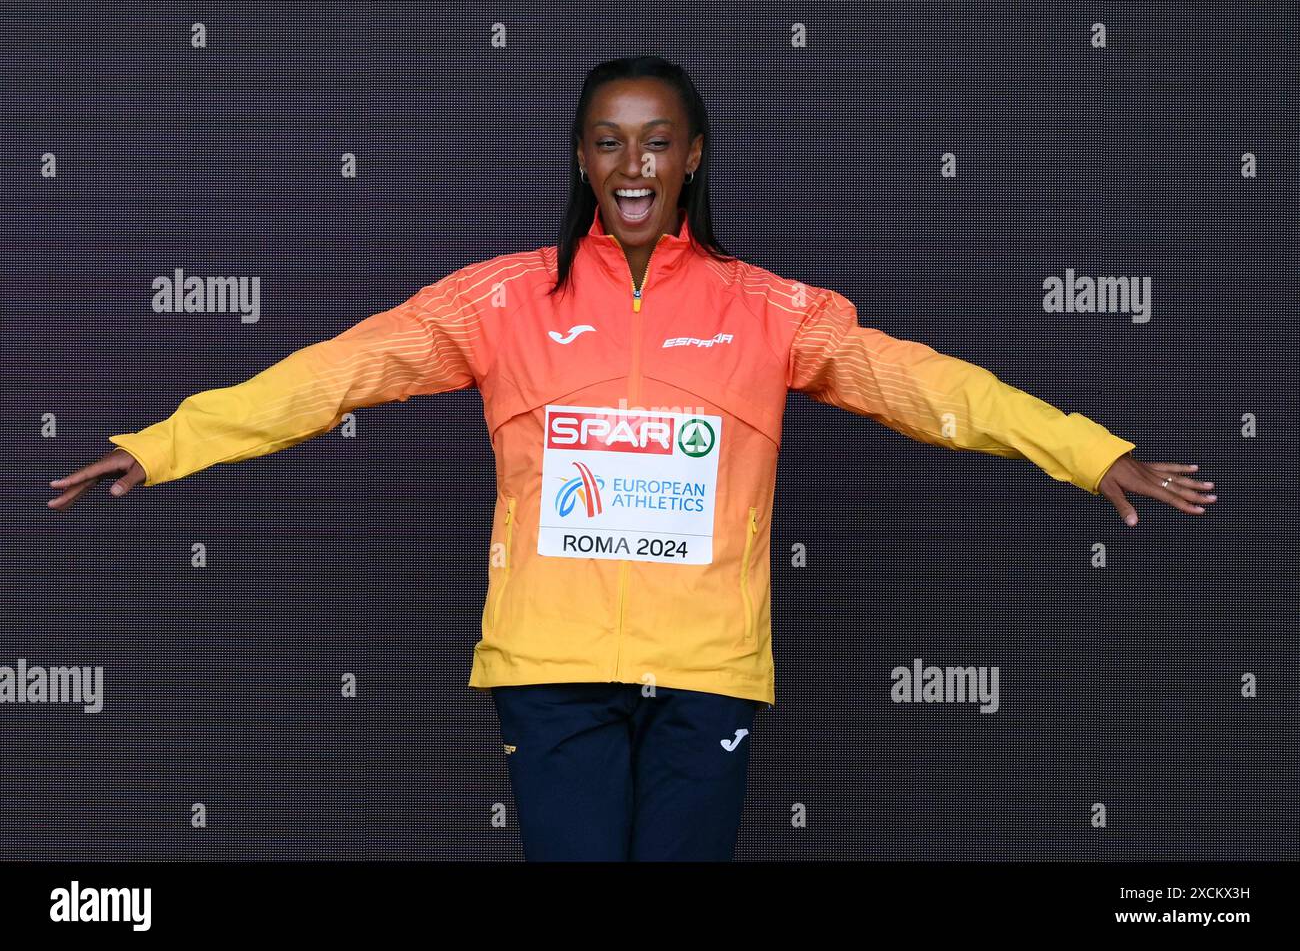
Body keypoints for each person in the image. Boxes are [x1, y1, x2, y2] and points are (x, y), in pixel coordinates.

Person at [47, 56, 1216, 861]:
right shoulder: (500, 300)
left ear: (693, 155)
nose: (634, 161)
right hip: (549, 669)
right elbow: (330, 374)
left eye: (657, 140)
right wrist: (163, 447)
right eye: (608, 142)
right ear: (581, 159)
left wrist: (1089, 452)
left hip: (706, 666)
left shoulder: (775, 309)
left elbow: (929, 385)